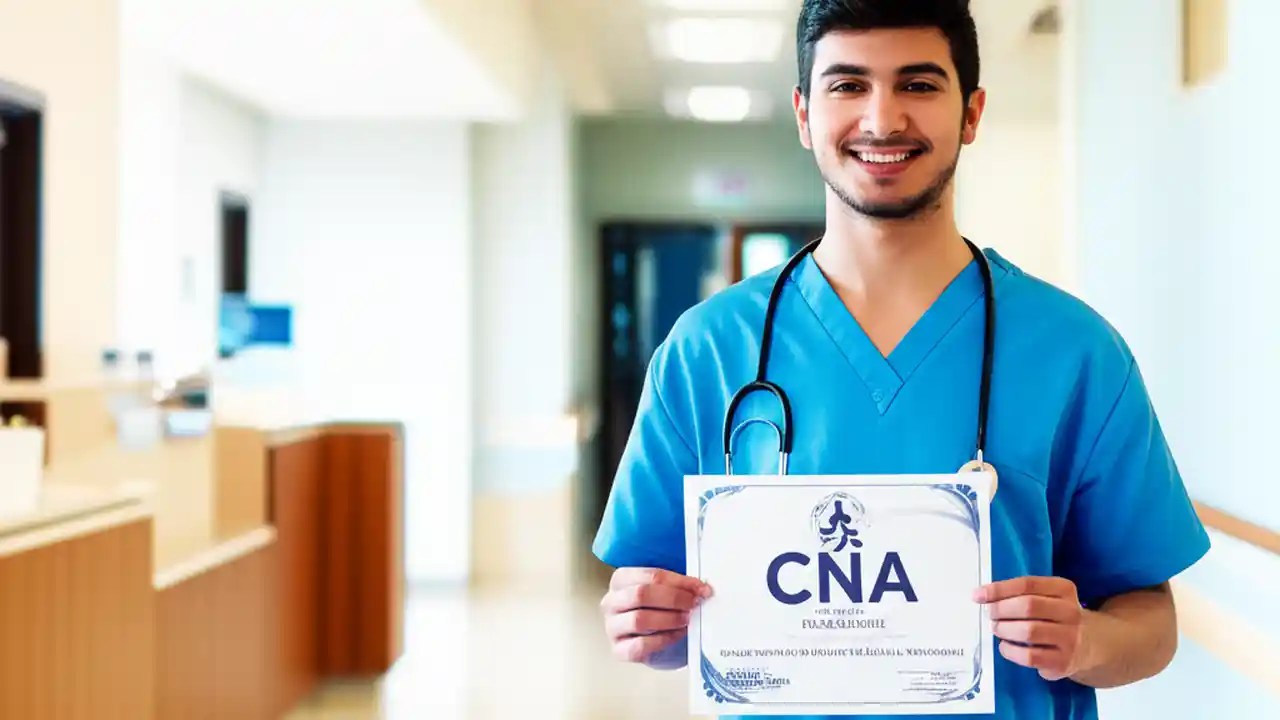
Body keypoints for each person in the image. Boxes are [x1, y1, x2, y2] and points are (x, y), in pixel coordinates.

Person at [592, 0, 1210, 718]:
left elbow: (1152, 623)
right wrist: (646, 624)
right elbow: (665, 615)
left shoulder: (1075, 351)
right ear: (802, 113)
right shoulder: (706, 350)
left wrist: (1086, 641)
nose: (883, 120)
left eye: (918, 85)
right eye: (848, 85)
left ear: (971, 113)